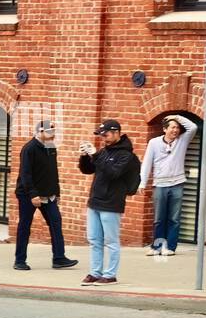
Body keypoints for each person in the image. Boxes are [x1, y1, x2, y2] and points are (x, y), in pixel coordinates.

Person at [78, 118, 141, 286]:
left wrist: (96, 155)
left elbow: (113, 172)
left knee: (111, 241)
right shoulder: (105, 151)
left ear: (116, 133)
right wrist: (85, 156)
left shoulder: (126, 156)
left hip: (112, 204)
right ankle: (95, 272)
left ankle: (110, 275)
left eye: (105, 135)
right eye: (101, 135)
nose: (103, 138)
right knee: (94, 240)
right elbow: (88, 170)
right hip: (95, 202)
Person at [13, 120, 77, 271]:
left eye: (54, 132)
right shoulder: (29, 149)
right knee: (25, 226)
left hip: (49, 194)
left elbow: (53, 172)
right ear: (40, 132)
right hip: (28, 195)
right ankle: (20, 260)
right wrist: (33, 195)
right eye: (50, 132)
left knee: (56, 222)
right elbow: (25, 174)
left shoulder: (51, 147)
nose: (53, 135)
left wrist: (57, 192)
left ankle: (59, 258)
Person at [139, 114, 197, 256]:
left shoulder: (182, 140)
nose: (175, 130)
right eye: (172, 127)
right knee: (159, 218)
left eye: (177, 128)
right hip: (160, 184)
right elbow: (147, 162)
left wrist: (177, 117)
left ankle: (170, 247)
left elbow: (193, 127)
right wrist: (142, 183)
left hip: (177, 184)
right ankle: (157, 247)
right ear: (165, 129)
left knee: (174, 219)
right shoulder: (154, 143)